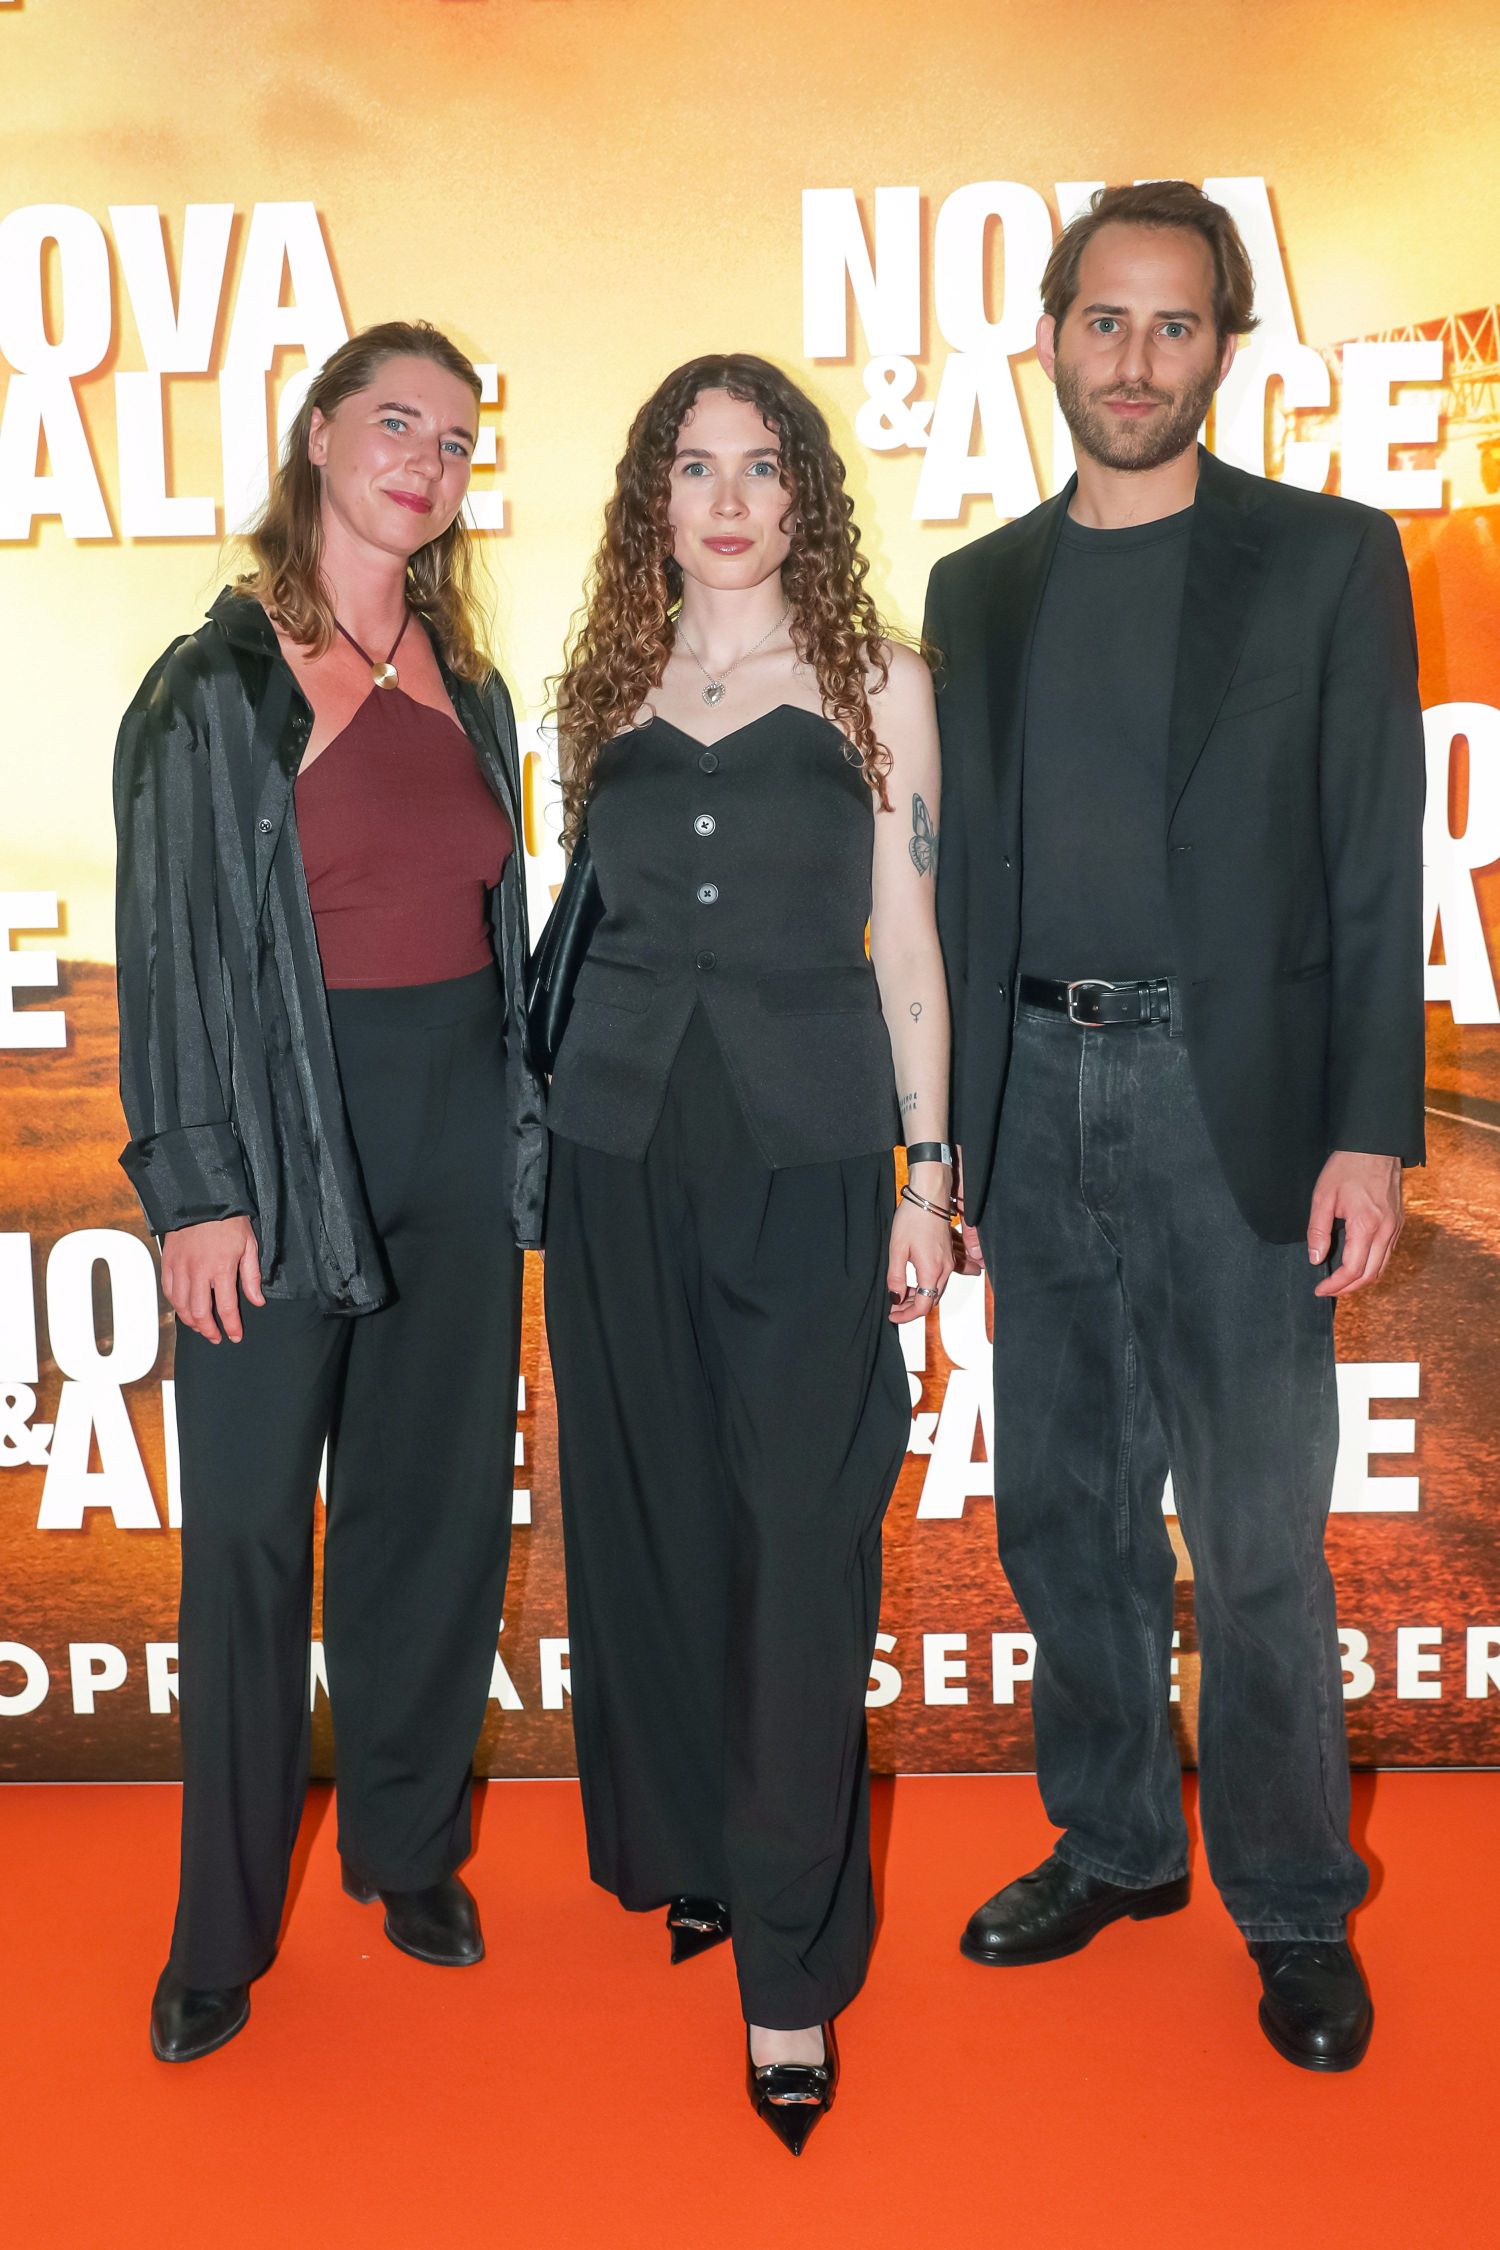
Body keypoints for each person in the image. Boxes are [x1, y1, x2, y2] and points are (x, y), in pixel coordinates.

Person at [926, 182, 1424, 2072]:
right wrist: (942, 1144)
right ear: (1048, 334)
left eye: (1178, 325)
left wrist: (1368, 1128)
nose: (1137, 360)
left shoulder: (1327, 559)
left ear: (1227, 344)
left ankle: (1294, 1900)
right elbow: (956, 882)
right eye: (1105, 320)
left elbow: (1377, 865)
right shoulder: (975, 592)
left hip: (1241, 1108)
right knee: (1061, 1510)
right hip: (1030, 1099)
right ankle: (1119, 1839)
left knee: (1259, 1535)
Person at [114, 320, 546, 2064]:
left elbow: (501, 937)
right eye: (395, 424)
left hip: (457, 1133)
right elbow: (167, 959)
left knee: (431, 1512)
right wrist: (194, 1189)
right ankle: (216, 1931)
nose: (425, 464)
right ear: (315, 439)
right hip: (279, 1150)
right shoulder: (213, 685)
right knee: (241, 1543)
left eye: (453, 440)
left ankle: (407, 1846)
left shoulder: (475, 685)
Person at [543, 354, 953, 2152]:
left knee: (802, 1543)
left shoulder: (882, 685)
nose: (727, 498)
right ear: (654, 496)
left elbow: (912, 948)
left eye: (761, 467)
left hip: (808, 1159)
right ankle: (700, 1850)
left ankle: (789, 1962)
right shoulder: (600, 688)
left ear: (808, 498)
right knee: (652, 1527)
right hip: (615, 1153)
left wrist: (928, 1177)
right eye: (693, 467)